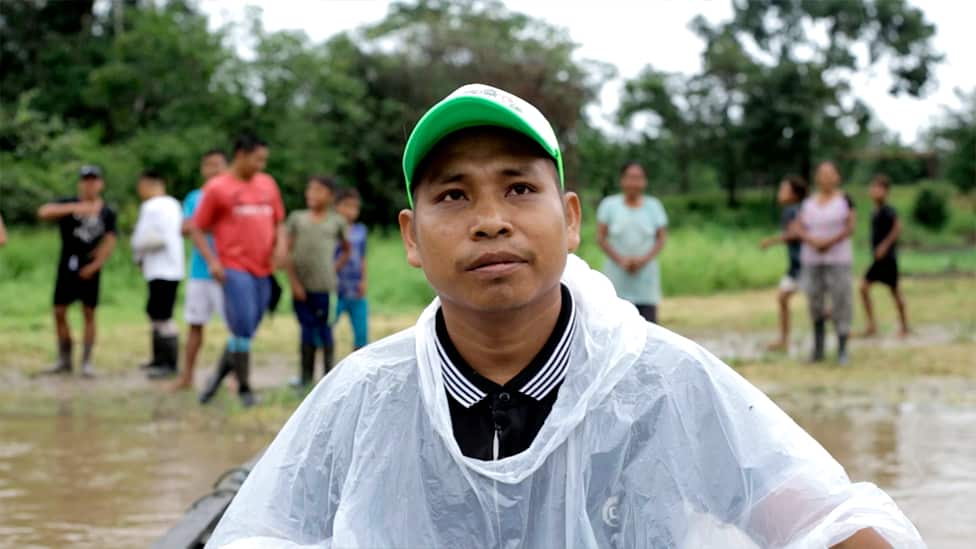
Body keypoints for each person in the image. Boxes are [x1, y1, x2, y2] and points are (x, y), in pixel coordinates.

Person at [206, 84, 922, 549]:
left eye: (520, 188)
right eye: (453, 196)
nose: (491, 220)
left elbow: (820, 518)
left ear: (571, 219)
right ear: (411, 237)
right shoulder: (366, 395)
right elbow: (263, 532)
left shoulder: (661, 381)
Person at [191, 134, 286, 407]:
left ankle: (214, 382)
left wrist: (280, 247)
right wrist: (212, 261)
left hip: (263, 268)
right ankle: (244, 388)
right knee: (243, 326)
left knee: (246, 330)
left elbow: (279, 221)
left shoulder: (267, 184)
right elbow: (197, 228)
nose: (261, 165)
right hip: (234, 268)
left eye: (264, 160)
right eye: (257, 159)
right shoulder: (217, 188)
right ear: (241, 155)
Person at [36, 165, 117, 377]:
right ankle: (64, 359)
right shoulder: (68, 203)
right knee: (59, 310)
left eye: (93, 180)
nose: (89, 185)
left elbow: (110, 240)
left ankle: (87, 362)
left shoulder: (107, 211)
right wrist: (76, 208)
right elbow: (43, 212)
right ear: (80, 183)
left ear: (100, 184)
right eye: (85, 180)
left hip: (90, 265)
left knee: (89, 312)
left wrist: (95, 265)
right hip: (67, 264)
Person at [285, 175, 349, 387]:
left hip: (326, 288)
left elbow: (347, 249)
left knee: (325, 330)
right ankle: (305, 378)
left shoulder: (336, 221)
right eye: (310, 189)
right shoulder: (297, 219)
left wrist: (333, 268)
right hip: (301, 289)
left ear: (330, 196)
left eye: (318, 190)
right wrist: (294, 283)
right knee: (306, 330)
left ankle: (329, 379)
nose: (312, 194)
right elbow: (286, 252)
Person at [172, 149, 228, 391]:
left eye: (218, 164)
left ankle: (234, 378)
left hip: (228, 271)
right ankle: (187, 376)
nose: (213, 170)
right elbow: (185, 228)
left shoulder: (232, 196)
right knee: (195, 324)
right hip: (199, 271)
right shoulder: (195, 197)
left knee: (235, 329)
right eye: (208, 165)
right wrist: (202, 224)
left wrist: (200, 225)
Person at [796, 161, 856, 364]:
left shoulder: (845, 200)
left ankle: (842, 348)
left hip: (838, 259)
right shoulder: (808, 203)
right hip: (812, 259)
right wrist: (812, 241)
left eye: (830, 173)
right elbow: (799, 227)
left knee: (841, 300)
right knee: (814, 300)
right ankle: (818, 348)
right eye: (822, 173)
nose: (826, 178)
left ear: (837, 177)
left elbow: (850, 226)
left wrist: (829, 242)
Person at [596, 161, 668, 323]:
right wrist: (621, 260)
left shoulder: (654, 206)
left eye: (638, 178)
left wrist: (643, 261)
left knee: (649, 327)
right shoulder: (609, 205)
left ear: (645, 181)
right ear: (622, 180)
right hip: (617, 280)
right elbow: (600, 238)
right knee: (615, 325)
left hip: (646, 282)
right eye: (630, 177)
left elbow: (661, 238)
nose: (634, 183)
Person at [131, 170, 185, 379]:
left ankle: (169, 363)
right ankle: (158, 358)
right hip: (173, 267)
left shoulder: (151, 206)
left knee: (162, 316)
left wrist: (138, 257)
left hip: (159, 268)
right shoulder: (174, 204)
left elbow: (140, 238)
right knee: (156, 313)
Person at [760, 175, 808, 351]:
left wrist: (772, 241)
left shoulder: (794, 210)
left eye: (784, 190)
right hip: (796, 266)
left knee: (813, 304)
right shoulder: (793, 210)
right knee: (782, 298)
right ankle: (784, 339)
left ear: (794, 194)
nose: (780, 193)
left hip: (804, 265)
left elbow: (796, 234)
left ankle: (784, 339)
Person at [859, 174, 909, 337]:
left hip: (888, 259)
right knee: (863, 288)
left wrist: (885, 246)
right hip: (877, 260)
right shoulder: (874, 212)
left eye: (878, 188)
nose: (874, 191)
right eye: (873, 188)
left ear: (886, 191)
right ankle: (871, 325)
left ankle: (904, 326)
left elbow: (898, 227)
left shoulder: (889, 210)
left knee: (895, 292)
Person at [333, 187, 369, 351]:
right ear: (336, 206)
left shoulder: (361, 231)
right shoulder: (330, 230)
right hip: (335, 288)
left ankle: (358, 361)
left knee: (361, 331)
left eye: (355, 207)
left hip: (355, 287)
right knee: (326, 328)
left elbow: (362, 258)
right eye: (346, 206)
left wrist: (363, 281)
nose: (351, 211)